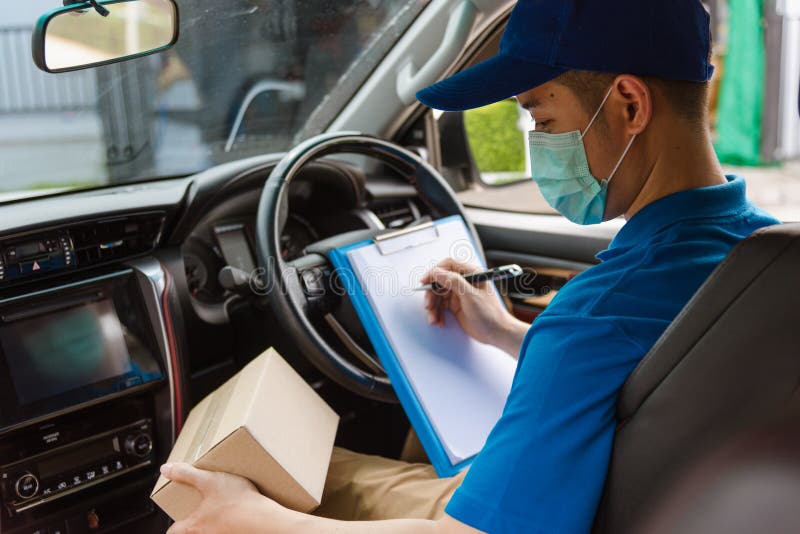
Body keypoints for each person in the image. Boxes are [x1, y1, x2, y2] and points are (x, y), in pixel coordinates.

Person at [159, 1, 781, 532]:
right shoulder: (760, 256)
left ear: (628, 104)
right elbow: (660, 366)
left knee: (240, 473)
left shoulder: (595, 314)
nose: (537, 141)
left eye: (542, 117)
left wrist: (254, 518)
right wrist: (508, 333)